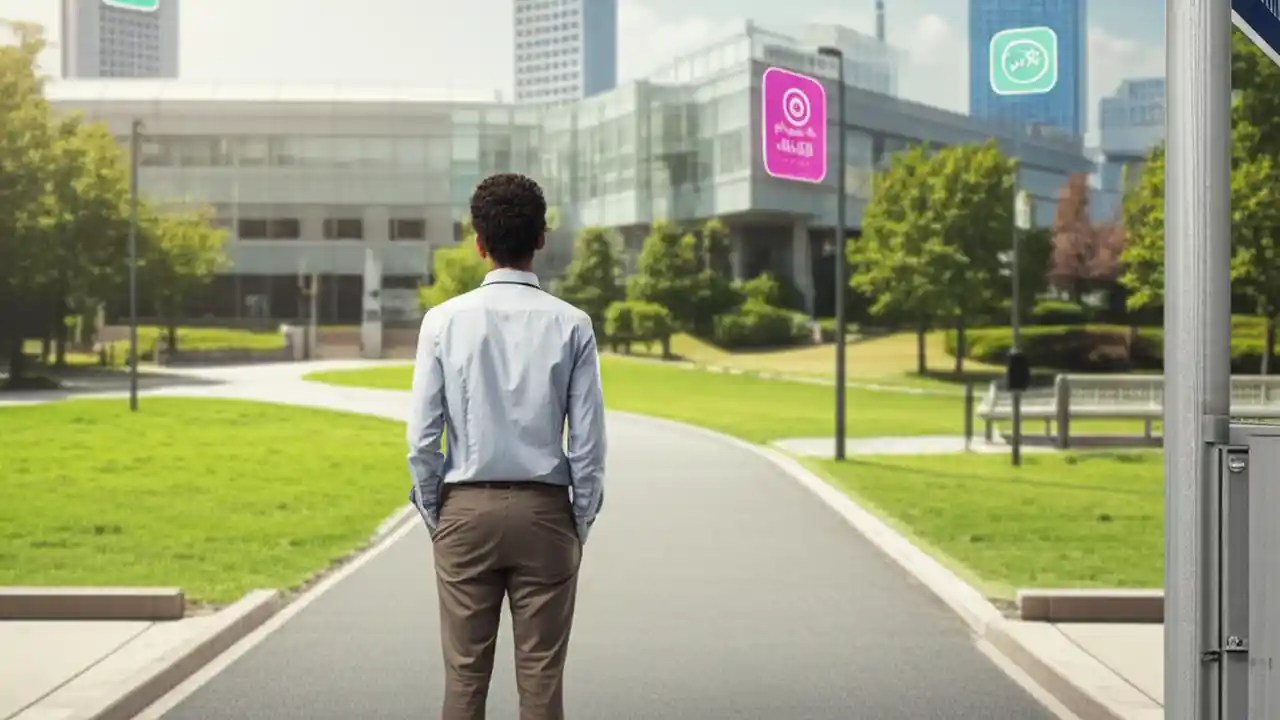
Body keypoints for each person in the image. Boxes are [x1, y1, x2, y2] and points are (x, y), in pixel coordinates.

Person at [406, 173, 606, 720]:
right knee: (542, 682)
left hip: (464, 511)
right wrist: (577, 520)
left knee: (464, 681)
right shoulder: (574, 325)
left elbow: (423, 437)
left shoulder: (442, 322)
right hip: (546, 516)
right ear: (542, 238)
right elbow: (587, 445)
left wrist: (435, 513)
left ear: (478, 242)